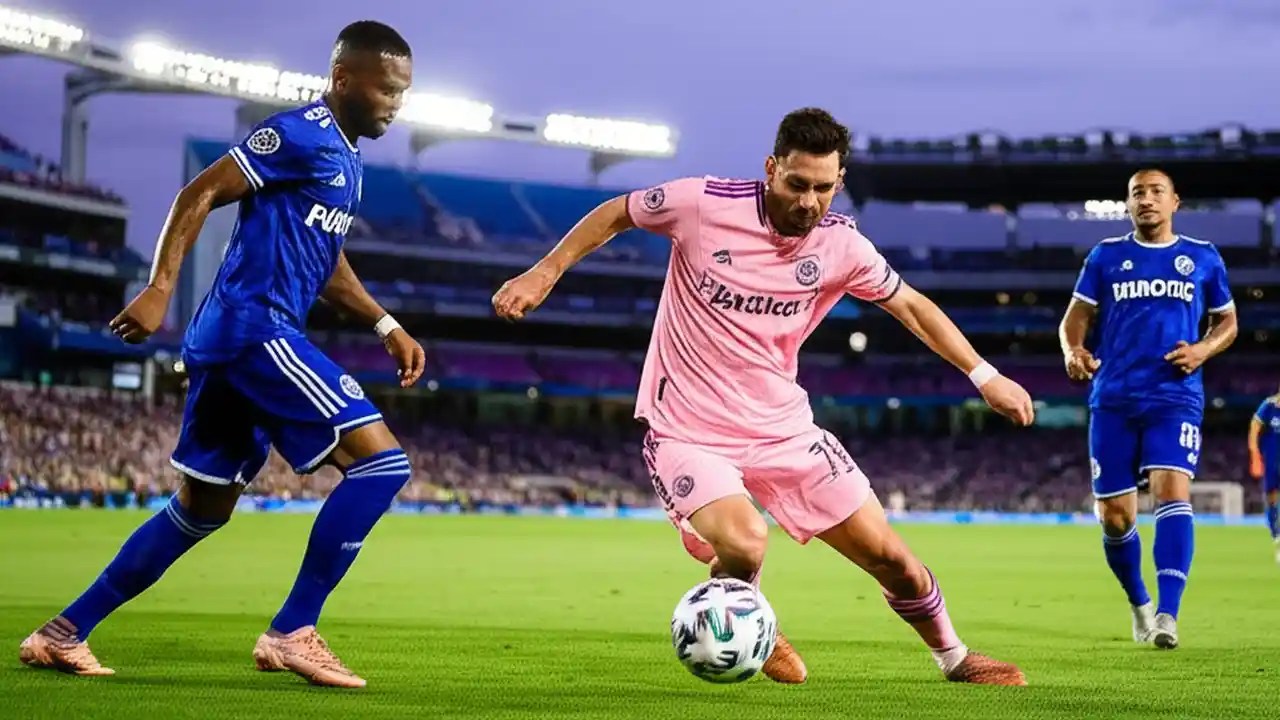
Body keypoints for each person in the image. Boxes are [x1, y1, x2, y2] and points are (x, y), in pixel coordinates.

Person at [493, 107, 1034, 686]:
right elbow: (616, 212)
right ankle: (754, 624)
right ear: (771, 168)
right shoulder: (702, 203)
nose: (808, 201)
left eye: (823, 188)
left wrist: (984, 375)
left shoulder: (841, 246)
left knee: (893, 560)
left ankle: (954, 657)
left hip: (784, 429)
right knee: (747, 542)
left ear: (840, 182)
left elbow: (911, 307)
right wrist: (544, 272)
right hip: (688, 429)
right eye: (797, 184)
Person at [19, 21, 426, 689]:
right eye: (386, 90)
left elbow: (325, 262)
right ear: (344, 78)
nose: (395, 105)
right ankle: (293, 630)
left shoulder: (346, 162)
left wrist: (385, 323)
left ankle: (63, 633)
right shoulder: (298, 133)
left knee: (200, 510)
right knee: (382, 464)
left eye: (403, 94)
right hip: (254, 330)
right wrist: (158, 288)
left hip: (239, 340)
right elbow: (198, 193)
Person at [1059, 169, 1237, 650]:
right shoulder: (1106, 257)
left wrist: (1202, 350)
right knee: (1115, 517)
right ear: (1127, 203)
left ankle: (1167, 614)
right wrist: (1074, 351)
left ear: (1175, 201)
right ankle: (1139, 603)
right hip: (1114, 398)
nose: (1147, 199)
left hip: (1175, 396)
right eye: (1138, 192)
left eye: (1157, 192)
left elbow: (1228, 322)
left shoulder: (1202, 257)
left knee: (1171, 489)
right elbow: (1074, 320)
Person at [1247, 387, 1280, 561]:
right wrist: (1254, 452)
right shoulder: (1269, 405)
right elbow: (1255, 424)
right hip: (1273, 462)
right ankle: (1276, 535)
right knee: (1271, 498)